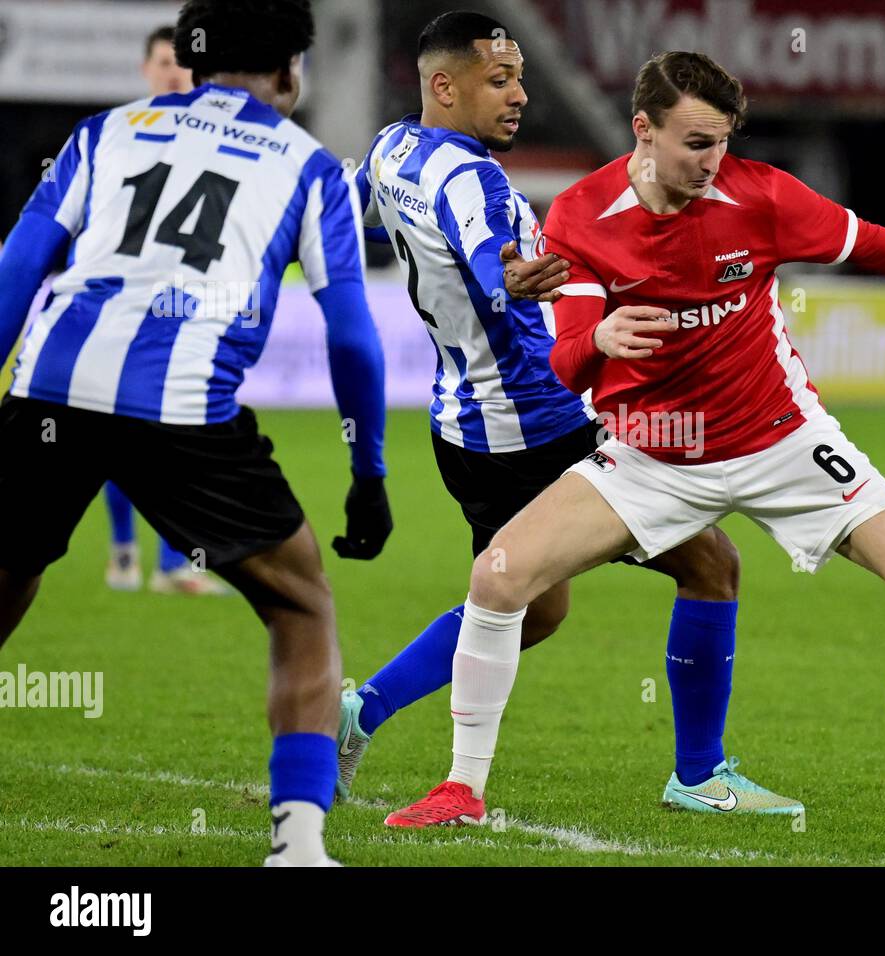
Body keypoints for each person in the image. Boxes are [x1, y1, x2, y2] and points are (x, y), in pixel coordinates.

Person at [394, 51, 885, 846]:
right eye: (693, 143)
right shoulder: (581, 216)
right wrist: (603, 339)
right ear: (642, 130)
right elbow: (566, 355)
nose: (710, 162)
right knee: (500, 573)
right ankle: (462, 787)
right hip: (653, 455)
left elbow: (878, 246)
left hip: (783, 442)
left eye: (721, 142)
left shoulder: (761, 200)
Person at [344, 12, 797, 826]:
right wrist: (518, 275)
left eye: (520, 77)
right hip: (543, 424)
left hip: (462, 430)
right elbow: (500, 263)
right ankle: (699, 774)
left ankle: (360, 712)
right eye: (498, 81)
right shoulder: (474, 181)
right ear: (444, 86)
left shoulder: (390, 149)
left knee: (529, 604)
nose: (520, 96)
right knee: (712, 565)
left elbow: (368, 218)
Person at [0, 0, 393, 866]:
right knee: (301, 604)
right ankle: (297, 844)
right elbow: (353, 337)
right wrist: (368, 472)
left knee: (10, 571)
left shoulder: (104, 132)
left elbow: (19, 265)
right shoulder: (310, 167)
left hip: (50, 389)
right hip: (182, 412)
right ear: (293, 69)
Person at [103, 24, 232, 596]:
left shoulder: (215, 143)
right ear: (145, 70)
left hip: (187, 303)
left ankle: (172, 562)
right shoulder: (120, 136)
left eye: (184, 63)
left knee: (177, 428)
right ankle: (126, 549)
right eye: (163, 61)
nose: (174, 71)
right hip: (123, 302)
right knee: (122, 432)